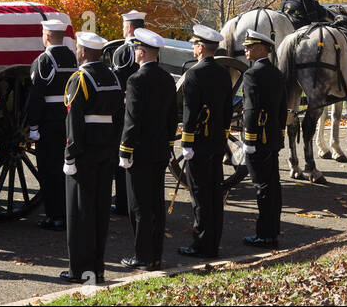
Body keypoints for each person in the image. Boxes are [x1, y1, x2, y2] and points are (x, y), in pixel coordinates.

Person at [61, 32, 124, 283]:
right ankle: (97, 268)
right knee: (99, 212)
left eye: (78, 48)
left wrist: (70, 155)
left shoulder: (80, 78)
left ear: (85, 52)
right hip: (106, 150)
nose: (76, 52)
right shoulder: (112, 76)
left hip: (84, 153)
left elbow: (74, 122)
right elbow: (119, 116)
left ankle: (80, 271)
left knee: (79, 214)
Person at [117, 28, 178, 270]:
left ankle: (143, 257)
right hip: (160, 149)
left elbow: (132, 120)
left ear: (141, 52)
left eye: (135, 49)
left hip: (140, 151)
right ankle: (156, 255)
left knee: (139, 206)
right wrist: (169, 143)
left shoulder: (136, 80)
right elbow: (173, 117)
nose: (134, 53)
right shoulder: (166, 78)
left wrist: (125, 149)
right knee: (156, 205)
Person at [177, 24, 231, 259]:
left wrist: (186, 144)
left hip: (198, 143)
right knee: (214, 194)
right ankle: (213, 241)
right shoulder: (223, 72)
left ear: (200, 48)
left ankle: (201, 245)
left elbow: (190, 113)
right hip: (217, 141)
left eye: (193, 44)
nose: (192, 47)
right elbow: (228, 110)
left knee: (199, 197)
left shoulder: (194, 74)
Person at [27, 18, 76, 230]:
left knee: (49, 170)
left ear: (46, 36)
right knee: (64, 168)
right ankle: (65, 213)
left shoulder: (43, 60)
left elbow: (36, 95)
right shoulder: (72, 58)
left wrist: (33, 125)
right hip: (67, 119)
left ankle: (54, 215)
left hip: (48, 122)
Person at [240, 30, 286, 248]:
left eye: (249, 46)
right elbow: (282, 110)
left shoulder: (251, 75)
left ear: (261, 48)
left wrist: (248, 140)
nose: (245, 50)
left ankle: (264, 235)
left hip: (258, 139)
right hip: (273, 138)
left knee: (263, 188)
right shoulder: (277, 73)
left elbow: (250, 110)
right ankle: (272, 229)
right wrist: (279, 134)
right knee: (273, 186)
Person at [108, 9, 145, 216]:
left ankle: (123, 203)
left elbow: (118, 84)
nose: (123, 29)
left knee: (122, 156)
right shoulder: (147, 48)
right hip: (144, 109)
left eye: (124, 26)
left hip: (125, 111)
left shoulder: (122, 51)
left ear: (129, 27)